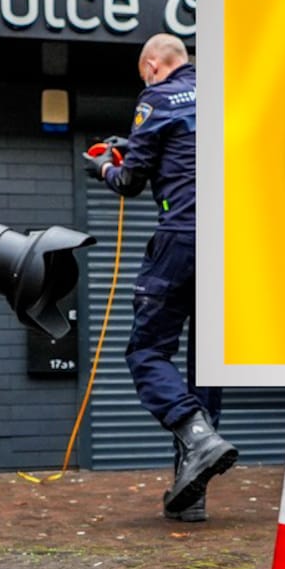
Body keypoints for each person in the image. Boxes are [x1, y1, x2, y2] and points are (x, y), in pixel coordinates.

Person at [86, 33, 235, 522]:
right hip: (227, 243)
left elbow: (131, 180)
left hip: (181, 239)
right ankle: (192, 492)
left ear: (153, 65)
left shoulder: (156, 97)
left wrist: (105, 167)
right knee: (206, 364)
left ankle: (197, 436)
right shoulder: (220, 93)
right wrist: (131, 146)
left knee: (146, 350)